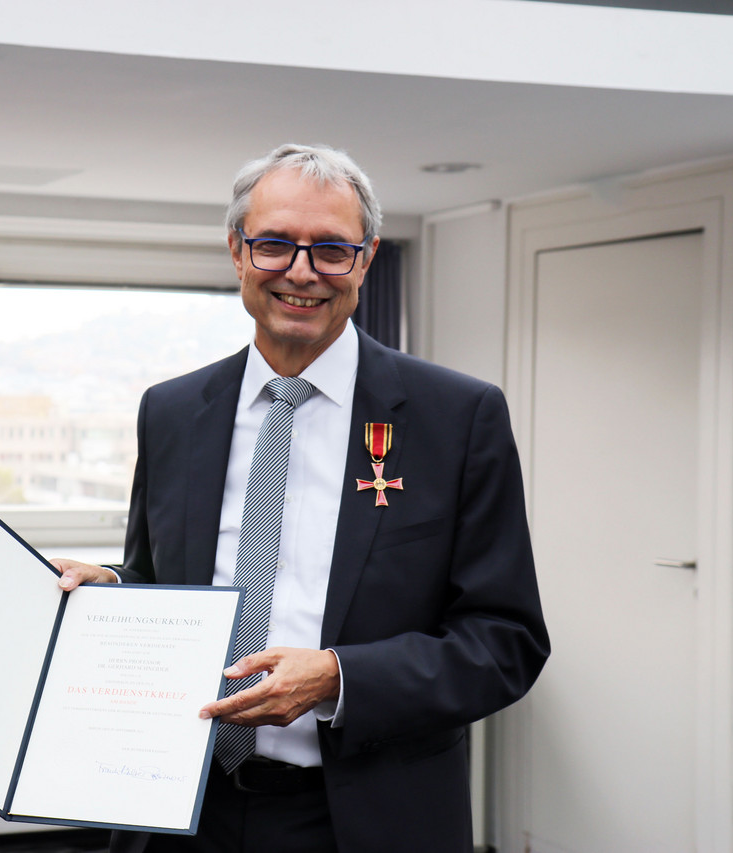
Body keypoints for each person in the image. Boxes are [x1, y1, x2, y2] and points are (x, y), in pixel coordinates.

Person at [54, 144, 549, 853]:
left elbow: (506, 641)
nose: (301, 271)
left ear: (367, 257)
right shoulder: (170, 410)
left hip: (364, 817)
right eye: (276, 245)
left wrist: (339, 677)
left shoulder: (456, 417)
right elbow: (160, 578)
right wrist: (115, 588)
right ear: (236, 250)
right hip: (182, 809)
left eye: (331, 250)